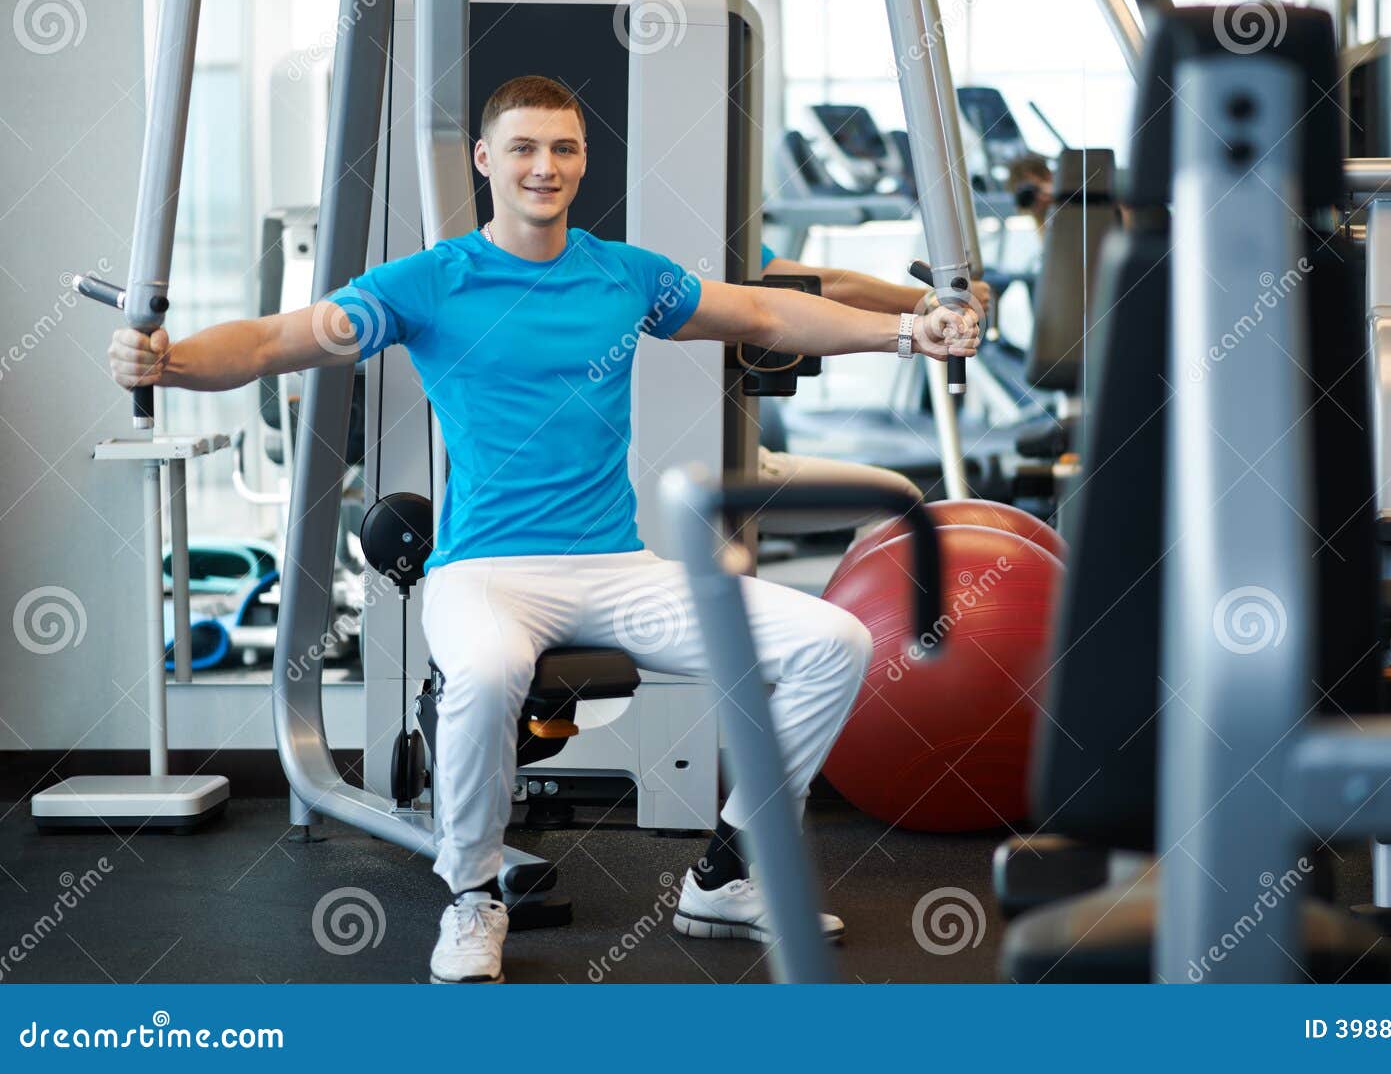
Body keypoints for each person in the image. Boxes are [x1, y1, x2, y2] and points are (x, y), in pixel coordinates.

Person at [106, 75, 977, 985]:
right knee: (483, 675)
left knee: (833, 640)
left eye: (562, 148)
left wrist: (908, 332)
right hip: (486, 569)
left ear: (584, 160)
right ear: (485, 160)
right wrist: (170, 363)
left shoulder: (622, 274)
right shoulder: (432, 282)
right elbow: (275, 341)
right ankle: (474, 897)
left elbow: (761, 312)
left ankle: (725, 875)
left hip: (619, 567)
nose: (544, 166)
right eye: (522, 148)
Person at [750, 246, 992, 538]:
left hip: (733, 459)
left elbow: (775, 308)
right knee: (896, 502)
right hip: (723, 469)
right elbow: (783, 306)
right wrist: (927, 305)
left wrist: (918, 328)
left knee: (896, 499)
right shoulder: (696, 272)